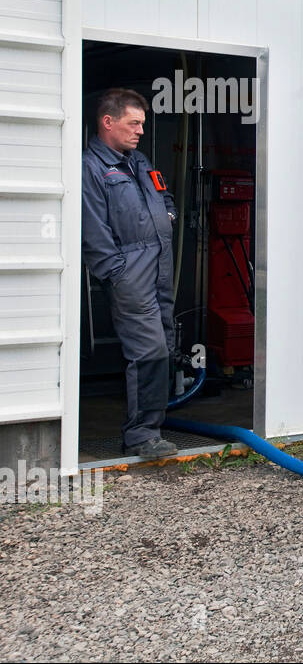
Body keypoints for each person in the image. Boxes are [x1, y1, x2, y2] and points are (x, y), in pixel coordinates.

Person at [82, 88, 179, 458]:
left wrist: (167, 215)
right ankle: (141, 436)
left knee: (165, 344)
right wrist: (117, 273)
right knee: (148, 350)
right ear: (108, 122)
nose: (140, 130)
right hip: (131, 272)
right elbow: (93, 230)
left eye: (142, 123)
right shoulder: (91, 167)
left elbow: (163, 195)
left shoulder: (139, 161)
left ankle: (153, 425)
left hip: (160, 266)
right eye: (133, 123)